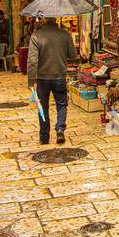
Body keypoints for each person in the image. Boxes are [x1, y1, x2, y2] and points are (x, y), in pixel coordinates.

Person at [26, 16, 77, 144]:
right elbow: (73, 55)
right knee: (61, 104)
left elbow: (32, 61)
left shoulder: (36, 36)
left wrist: (31, 80)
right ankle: (60, 128)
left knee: (42, 106)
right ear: (55, 20)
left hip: (42, 78)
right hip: (59, 75)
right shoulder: (65, 35)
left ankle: (44, 136)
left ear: (44, 20)